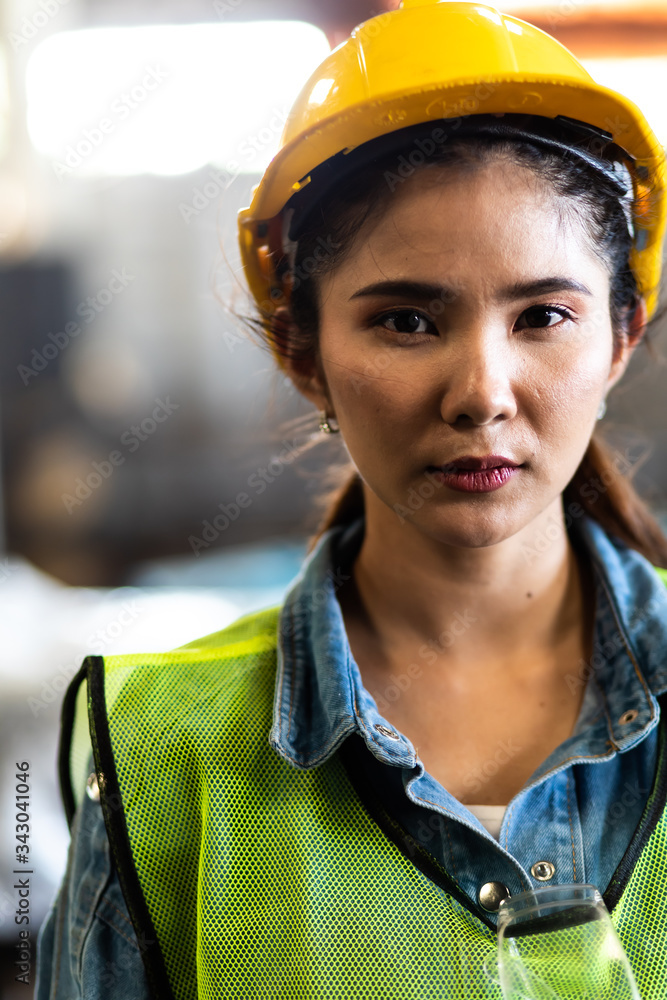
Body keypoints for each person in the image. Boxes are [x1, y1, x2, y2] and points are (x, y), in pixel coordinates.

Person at [37, 2, 667, 998]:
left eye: (542, 314)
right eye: (407, 320)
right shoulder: (164, 746)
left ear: (621, 335)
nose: (482, 394)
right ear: (304, 353)